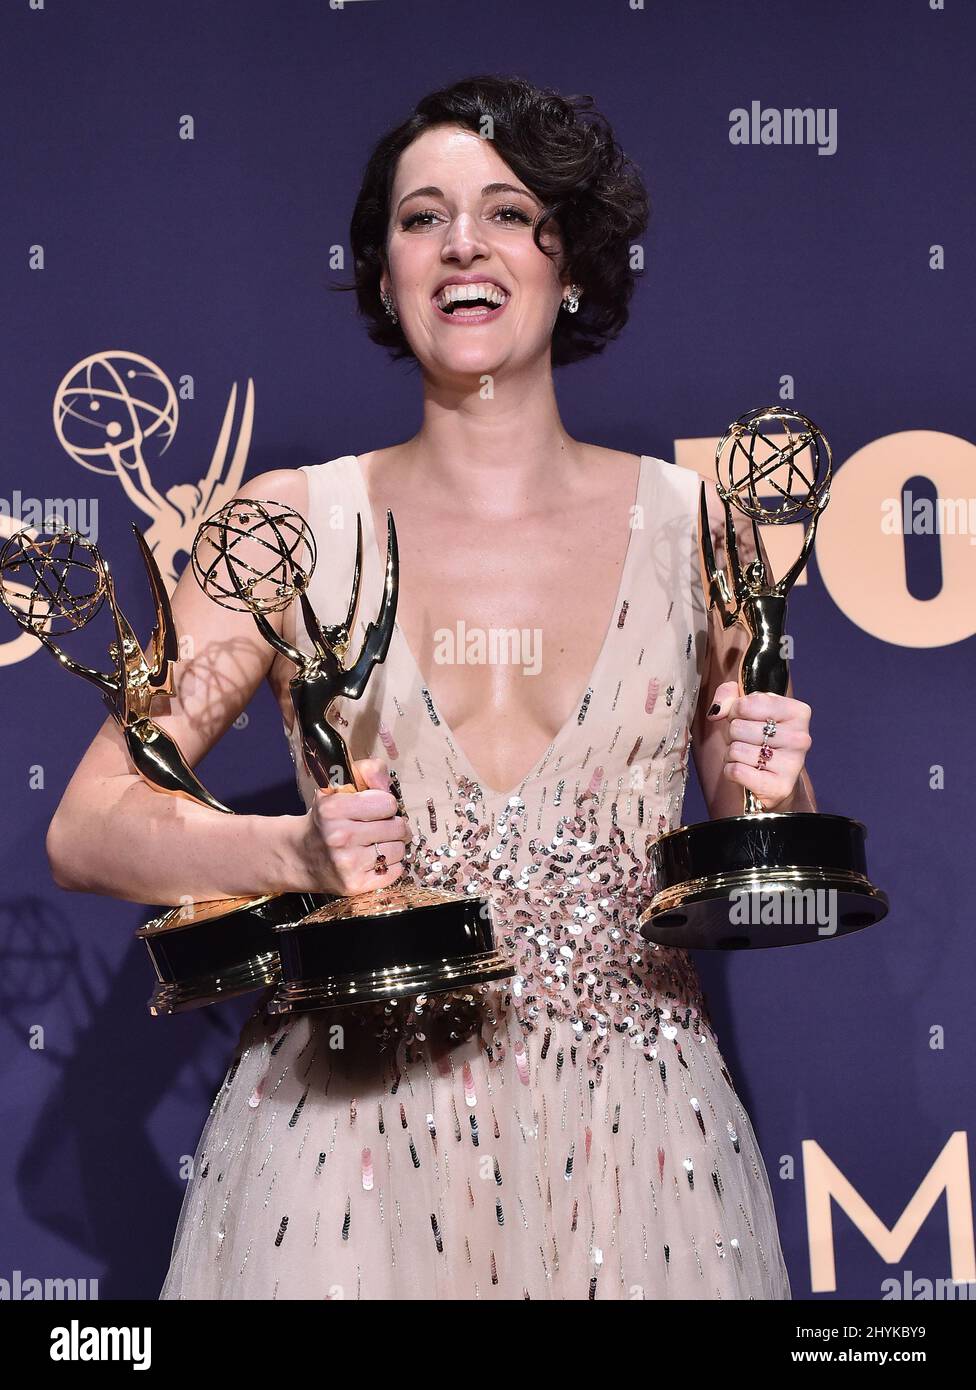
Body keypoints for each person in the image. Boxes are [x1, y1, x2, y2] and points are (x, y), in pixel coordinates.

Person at [47, 74, 815, 1300]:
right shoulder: (288, 527)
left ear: (573, 266)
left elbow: (746, 804)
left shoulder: (697, 527)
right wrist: (296, 854)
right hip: (345, 1147)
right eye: (422, 217)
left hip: (640, 1146)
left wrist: (763, 779)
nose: (462, 242)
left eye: (509, 212)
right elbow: (91, 824)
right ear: (386, 271)